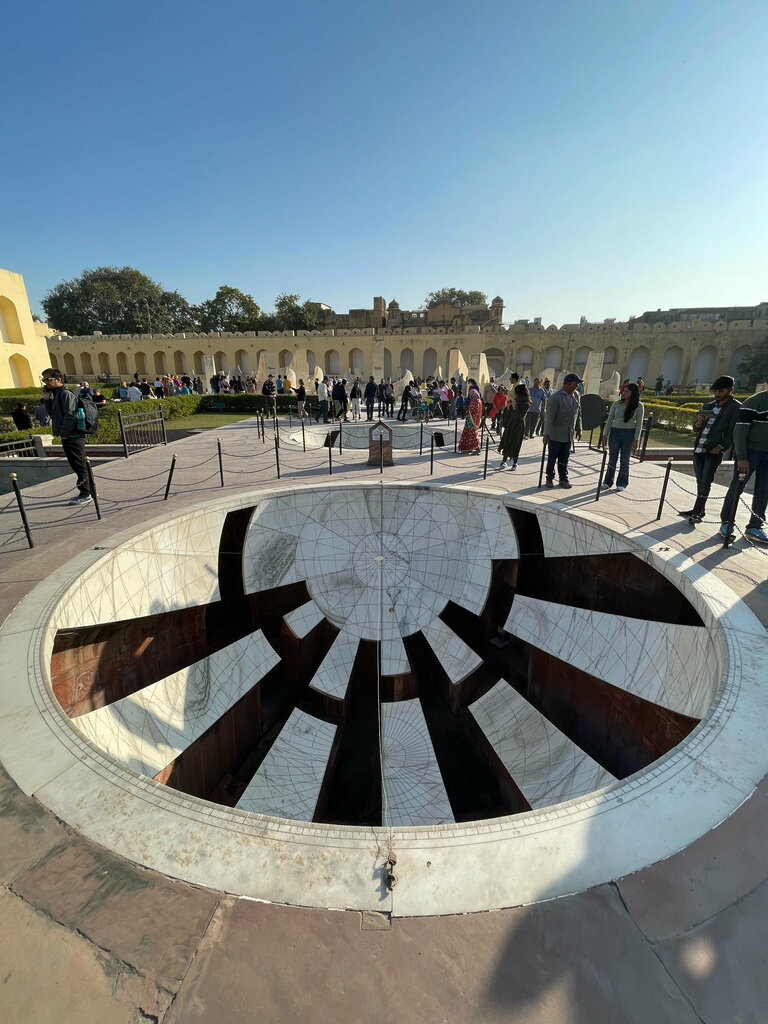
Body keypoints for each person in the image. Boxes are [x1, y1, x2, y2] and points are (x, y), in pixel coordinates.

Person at [676, 376, 740, 523]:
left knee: (706, 480)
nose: (717, 394)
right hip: (700, 447)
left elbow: (733, 432)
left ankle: (697, 513)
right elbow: (696, 428)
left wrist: (720, 447)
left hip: (713, 450)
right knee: (700, 480)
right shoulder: (710, 404)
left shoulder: (735, 407)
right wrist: (699, 422)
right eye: (715, 391)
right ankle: (699, 510)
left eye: (721, 391)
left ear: (731, 390)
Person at [719, 386, 768, 543]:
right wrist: (742, 457)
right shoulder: (755, 402)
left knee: (764, 490)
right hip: (750, 452)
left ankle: (755, 526)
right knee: (737, 487)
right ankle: (727, 523)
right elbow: (739, 432)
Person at [40, 368, 92, 505]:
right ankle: (89, 490)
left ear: (58, 380)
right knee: (77, 464)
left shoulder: (65, 394)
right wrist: (47, 399)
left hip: (73, 436)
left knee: (79, 464)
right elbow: (54, 414)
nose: (45, 382)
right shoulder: (57, 394)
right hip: (69, 435)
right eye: (43, 379)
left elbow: (71, 415)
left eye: (48, 379)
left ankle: (86, 493)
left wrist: (64, 433)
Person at [600, 382, 644, 492]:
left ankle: (622, 482)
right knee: (612, 458)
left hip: (629, 434)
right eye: (623, 391)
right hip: (615, 433)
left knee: (625, 460)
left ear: (633, 393)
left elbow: (639, 424)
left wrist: (636, 439)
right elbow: (609, 420)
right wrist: (605, 435)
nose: (623, 393)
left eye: (626, 391)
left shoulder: (639, 406)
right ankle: (607, 481)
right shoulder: (616, 404)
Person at [542, 373, 582, 488]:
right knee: (552, 458)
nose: (576, 387)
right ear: (567, 384)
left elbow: (578, 413)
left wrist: (579, 429)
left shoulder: (576, 395)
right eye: (574, 384)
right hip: (556, 434)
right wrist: (547, 434)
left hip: (568, 434)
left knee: (564, 459)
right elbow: (549, 417)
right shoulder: (556, 397)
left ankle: (563, 478)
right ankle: (549, 478)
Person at [498, 385, 530, 470]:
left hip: (518, 426)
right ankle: (504, 460)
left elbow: (519, 416)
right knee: (507, 441)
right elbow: (509, 414)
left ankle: (515, 462)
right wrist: (508, 408)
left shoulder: (526, 404)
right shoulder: (515, 401)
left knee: (516, 443)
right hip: (510, 425)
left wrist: (515, 406)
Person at [458, 382, 482, 454]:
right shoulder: (475, 400)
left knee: (472, 433)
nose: (470, 396)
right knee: (468, 433)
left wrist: (469, 412)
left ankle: (477, 448)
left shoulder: (476, 401)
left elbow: (475, 411)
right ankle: (469, 448)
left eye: (471, 394)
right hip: (470, 419)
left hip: (472, 420)